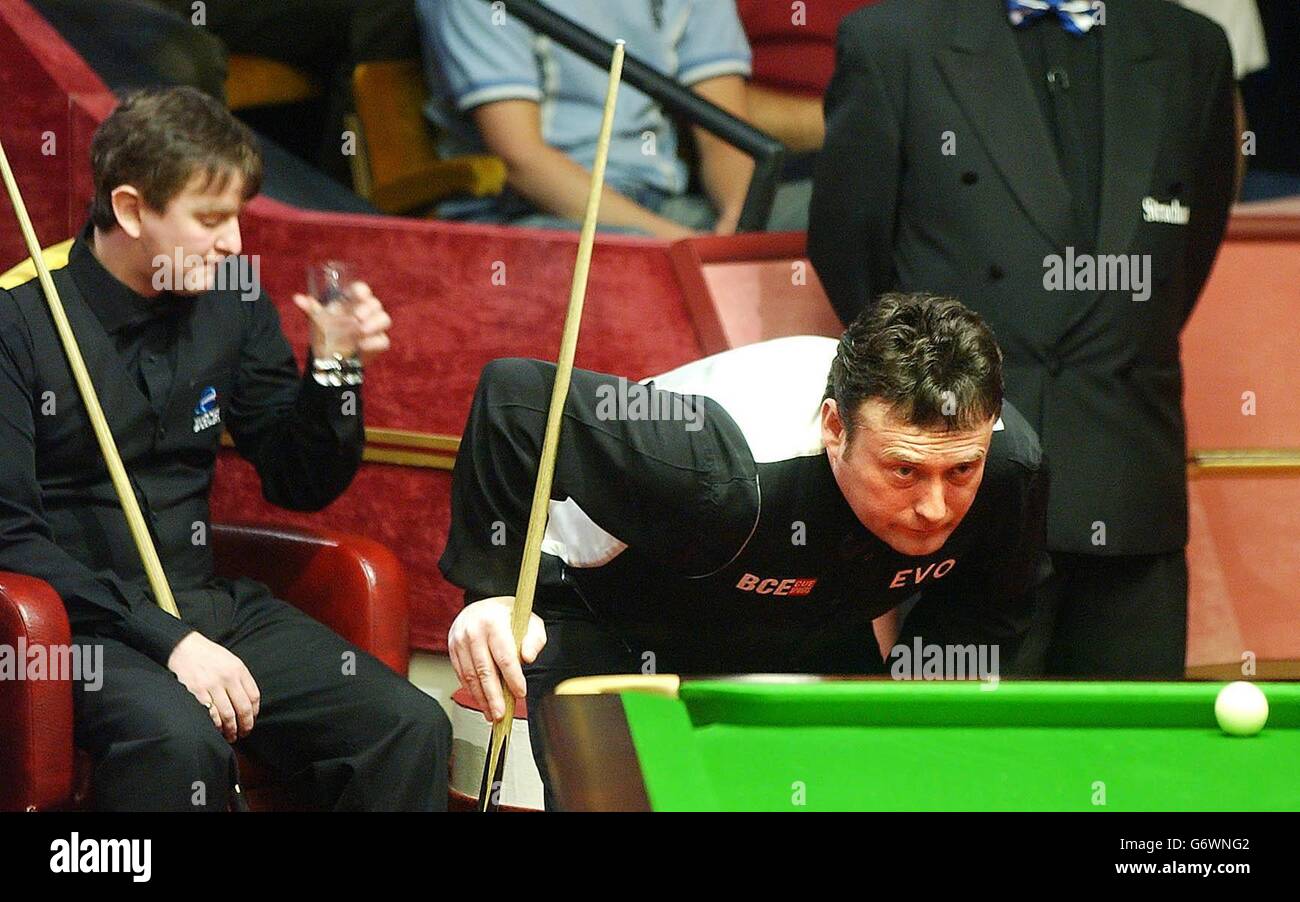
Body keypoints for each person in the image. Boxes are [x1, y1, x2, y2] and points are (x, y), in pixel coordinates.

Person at [0, 87, 450, 811]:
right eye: (209, 220)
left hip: (205, 603)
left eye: (236, 216)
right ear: (130, 209)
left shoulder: (230, 301)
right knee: (180, 745)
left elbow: (298, 480)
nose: (235, 243)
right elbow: (9, 536)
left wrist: (334, 370)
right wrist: (168, 640)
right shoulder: (19, 320)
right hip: (77, 625)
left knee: (404, 724)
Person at [441, 292, 1051, 809]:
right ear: (835, 429)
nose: (936, 508)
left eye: (961, 470)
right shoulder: (710, 470)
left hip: (799, 600)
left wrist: (913, 732)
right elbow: (517, 398)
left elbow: (984, 616)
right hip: (606, 598)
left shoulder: (1009, 471)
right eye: (904, 471)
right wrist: (491, 589)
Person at [808, 0, 1237, 678]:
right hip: (965, 498)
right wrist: (936, 387)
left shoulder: (1194, 46)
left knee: (1133, 768)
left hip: (1128, 471)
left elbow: (1186, 251)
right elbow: (848, 245)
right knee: (957, 772)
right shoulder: (894, 40)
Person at [415, 0, 755, 238]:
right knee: (628, 277)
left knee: (800, 230)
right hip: (539, 216)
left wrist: (739, 218)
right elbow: (521, 158)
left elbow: (724, 132)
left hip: (666, 203)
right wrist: (681, 245)